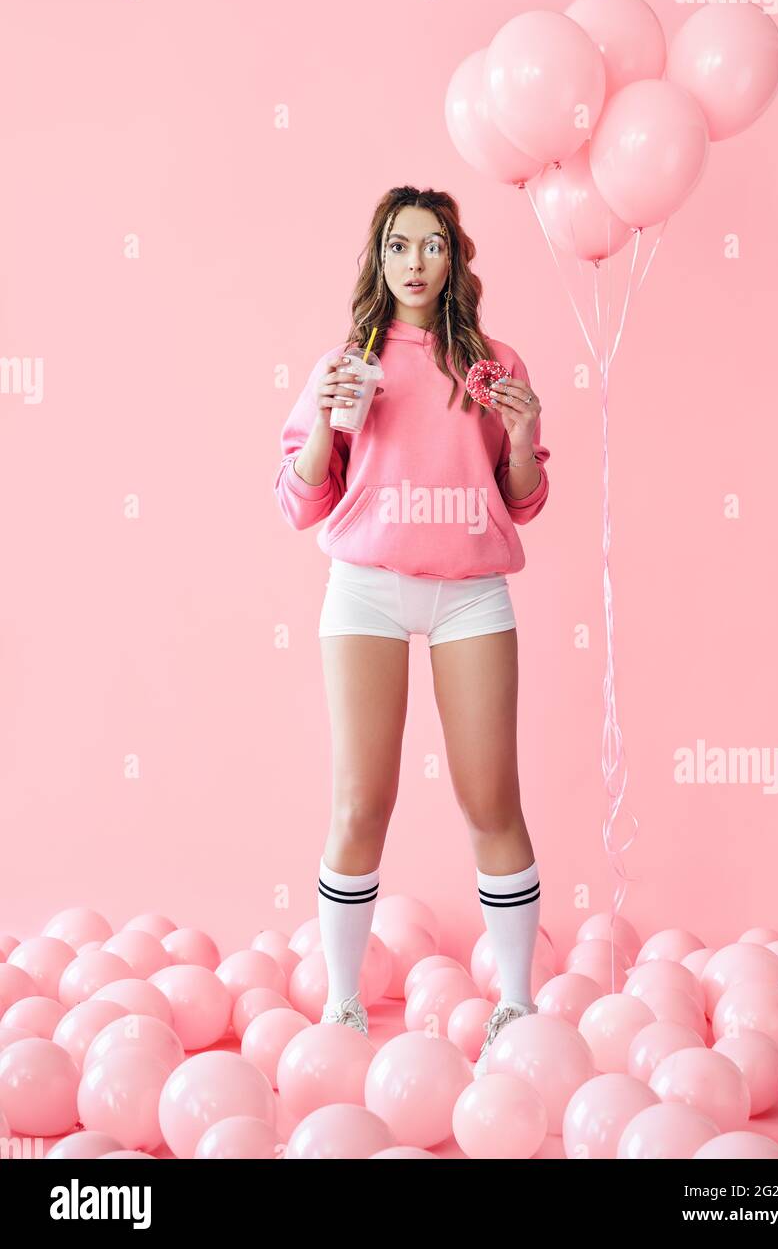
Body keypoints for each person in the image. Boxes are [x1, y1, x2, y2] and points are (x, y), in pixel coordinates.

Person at [273, 185, 551, 1075]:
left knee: (491, 801)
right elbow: (302, 502)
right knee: (361, 803)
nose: (417, 262)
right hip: (365, 588)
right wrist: (321, 414)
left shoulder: (492, 363)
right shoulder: (348, 364)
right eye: (400, 245)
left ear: (454, 259)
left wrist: (522, 434)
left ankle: (517, 1000)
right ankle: (343, 1001)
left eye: (433, 245)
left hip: (471, 594)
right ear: (380, 258)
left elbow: (523, 499)